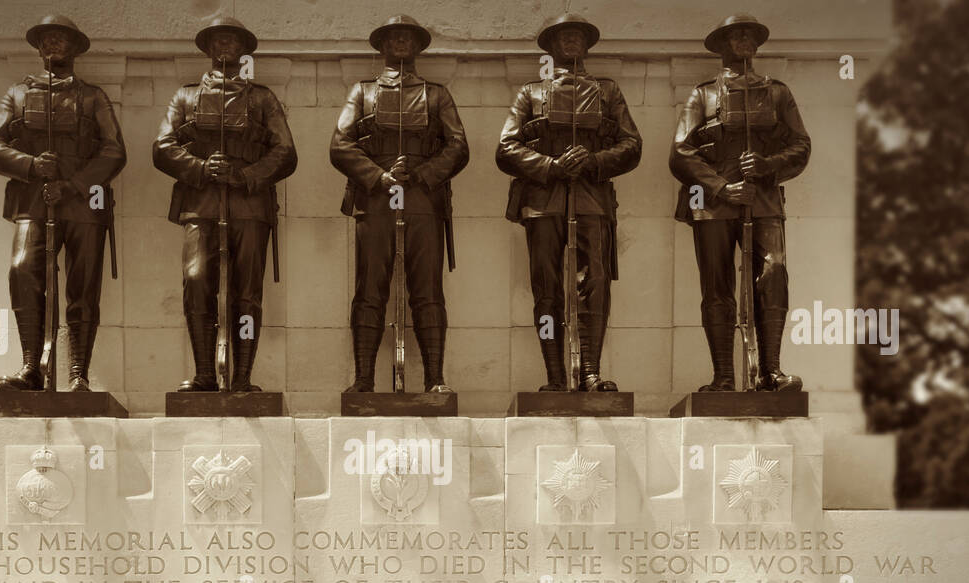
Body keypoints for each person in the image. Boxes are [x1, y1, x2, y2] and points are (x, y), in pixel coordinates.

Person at [497, 13, 642, 392]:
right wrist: (551, 166)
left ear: (587, 44)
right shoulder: (530, 93)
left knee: (594, 283)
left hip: (592, 198)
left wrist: (594, 161)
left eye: (578, 35)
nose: (572, 41)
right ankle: (556, 376)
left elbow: (632, 145)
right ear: (551, 46)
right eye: (564, 36)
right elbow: (506, 149)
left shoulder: (608, 91)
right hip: (543, 201)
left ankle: (590, 372)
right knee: (546, 290)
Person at [153, 16, 297, 392]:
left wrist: (247, 175)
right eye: (217, 40)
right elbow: (163, 148)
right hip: (201, 203)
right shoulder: (185, 96)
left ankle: (243, 377)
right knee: (197, 281)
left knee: (247, 292)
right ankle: (203, 373)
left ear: (242, 49)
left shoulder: (263, 98)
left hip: (250, 205)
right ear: (208, 48)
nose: (224, 46)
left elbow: (285, 153)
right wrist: (200, 168)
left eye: (231, 40)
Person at [0, 14, 125, 393]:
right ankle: (32, 366)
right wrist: (30, 165)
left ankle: (79, 372)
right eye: (46, 39)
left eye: (60, 38)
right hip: (33, 200)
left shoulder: (93, 97)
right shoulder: (16, 95)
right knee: (22, 270)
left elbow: (114, 153)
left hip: (83, 203)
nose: (52, 44)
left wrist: (74, 184)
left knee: (84, 285)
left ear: (75, 47)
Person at [670, 13, 810, 392]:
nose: (744, 40)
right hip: (714, 203)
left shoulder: (777, 92)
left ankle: (771, 372)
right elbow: (681, 153)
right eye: (736, 35)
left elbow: (801, 147)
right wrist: (720, 187)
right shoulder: (703, 95)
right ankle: (724, 376)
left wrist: (769, 165)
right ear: (723, 45)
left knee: (773, 274)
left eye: (750, 35)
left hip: (763, 200)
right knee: (716, 286)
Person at [330, 15, 469, 394]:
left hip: (423, 198)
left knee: (427, 290)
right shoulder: (362, 93)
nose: (401, 42)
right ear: (382, 46)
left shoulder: (437, 94)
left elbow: (458, 146)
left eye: (408, 37)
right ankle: (362, 380)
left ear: (419, 45)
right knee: (370, 289)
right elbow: (340, 145)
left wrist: (423, 174)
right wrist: (380, 176)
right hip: (376, 200)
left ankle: (435, 379)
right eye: (394, 37)